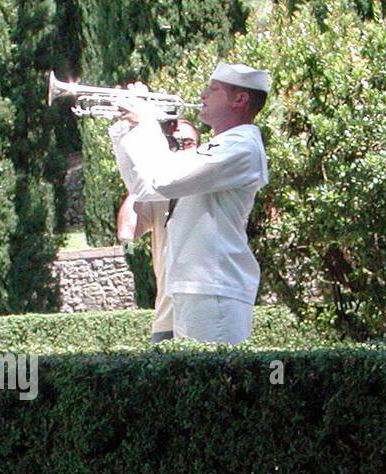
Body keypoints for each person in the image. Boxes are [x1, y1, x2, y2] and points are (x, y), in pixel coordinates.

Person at [109, 62, 270, 345]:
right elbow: (144, 186)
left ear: (240, 99)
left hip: (214, 286)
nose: (203, 93)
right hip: (194, 285)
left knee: (214, 382)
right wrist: (125, 129)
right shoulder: (216, 147)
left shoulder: (240, 146)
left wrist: (146, 121)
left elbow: (163, 179)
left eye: (214, 88)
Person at [115, 118, 200, 344]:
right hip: (165, 320)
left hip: (200, 317)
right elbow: (126, 232)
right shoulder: (158, 194)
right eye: (173, 141)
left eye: (186, 142)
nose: (179, 146)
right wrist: (139, 182)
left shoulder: (205, 179)